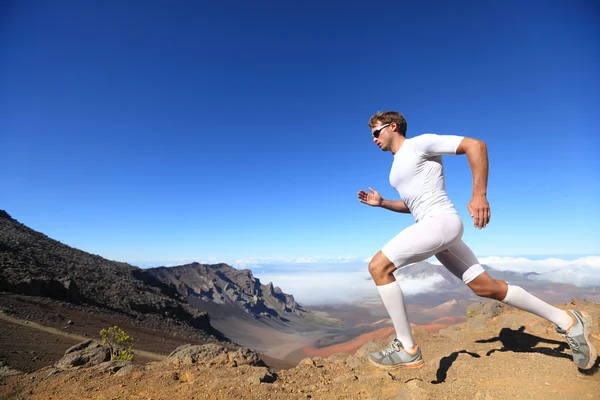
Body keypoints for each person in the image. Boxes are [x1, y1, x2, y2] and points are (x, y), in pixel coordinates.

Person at [357, 111, 596, 370]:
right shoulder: (395, 168)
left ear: (393, 126)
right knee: (486, 288)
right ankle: (570, 321)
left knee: (378, 267)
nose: (373, 138)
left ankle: (407, 348)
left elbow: (475, 145)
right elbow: (412, 204)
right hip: (431, 226)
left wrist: (479, 195)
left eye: (376, 132)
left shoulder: (419, 143)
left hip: (440, 222)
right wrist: (382, 203)